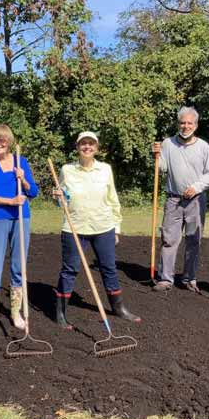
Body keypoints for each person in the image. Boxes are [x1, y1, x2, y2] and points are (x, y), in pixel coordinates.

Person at [52, 131, 140, 329]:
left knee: (109, 268)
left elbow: (113, 199)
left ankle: (118, 308)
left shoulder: (105, 169)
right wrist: (58, 196)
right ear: (77, 147)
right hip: (74, 227)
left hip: (103, 226)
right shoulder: (67, 170)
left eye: (91, 144)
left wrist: (116, 228)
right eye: (83, 144)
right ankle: (60, 312)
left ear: (97, 148)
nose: (87, 147)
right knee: (70, 269)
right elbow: (62, 201)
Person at [0, 124, 40, 337]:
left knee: (18, 266)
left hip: (21, 218)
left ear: (9, 141)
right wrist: (10, 200)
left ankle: (15, 314)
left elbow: (34, 192)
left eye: (1, 140)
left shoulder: (21, 162)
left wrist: (22, 179)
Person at [151, 106, 209, 293]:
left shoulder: (203, 147)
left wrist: (196, 187)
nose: (185, 126)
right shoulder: (167, 144)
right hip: (173, 200)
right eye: (182, 122)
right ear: (178, 124)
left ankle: (189, 278)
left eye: (189, 123)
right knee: (169, 239)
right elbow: (162, 168)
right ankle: (165, 279)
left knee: (193, 240)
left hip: (196, 200)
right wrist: (156, 155)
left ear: (196, 125)